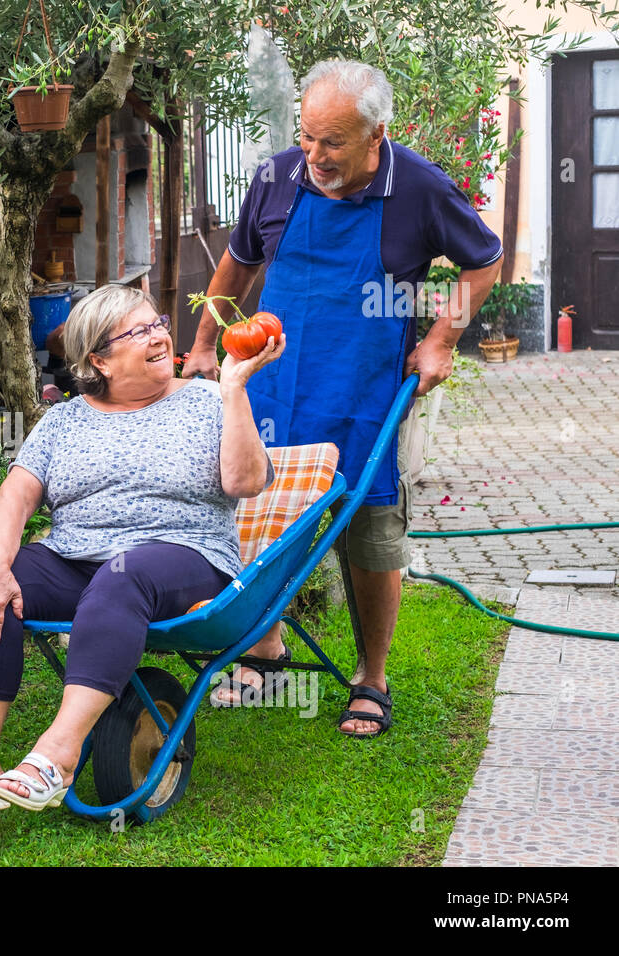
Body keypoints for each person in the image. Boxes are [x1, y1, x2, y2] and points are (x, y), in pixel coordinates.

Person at [182, 59, 503, 737]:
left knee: (370, 528)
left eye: (332, 143)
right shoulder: (276, 177)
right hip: (270, 383)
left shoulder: (417, 186)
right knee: (260, 515)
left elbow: (485, 261)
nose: (314, 157)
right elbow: (239, 261)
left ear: (375, 135)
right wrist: (205, 343)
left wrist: (442, 339)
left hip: (364, 389)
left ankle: (371, 676)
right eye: (306, 138)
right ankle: (265, 648)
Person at [0, 284, 284, 821]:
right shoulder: (64, 420)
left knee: (123, 574)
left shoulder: (208, 400)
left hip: (185, 557)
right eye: (139, 331)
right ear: (100, 360)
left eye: (157, 322)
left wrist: (233, 388)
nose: (160, 334)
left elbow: (247, 481)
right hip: (76, 559)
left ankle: (57, 756)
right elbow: (14, 498)